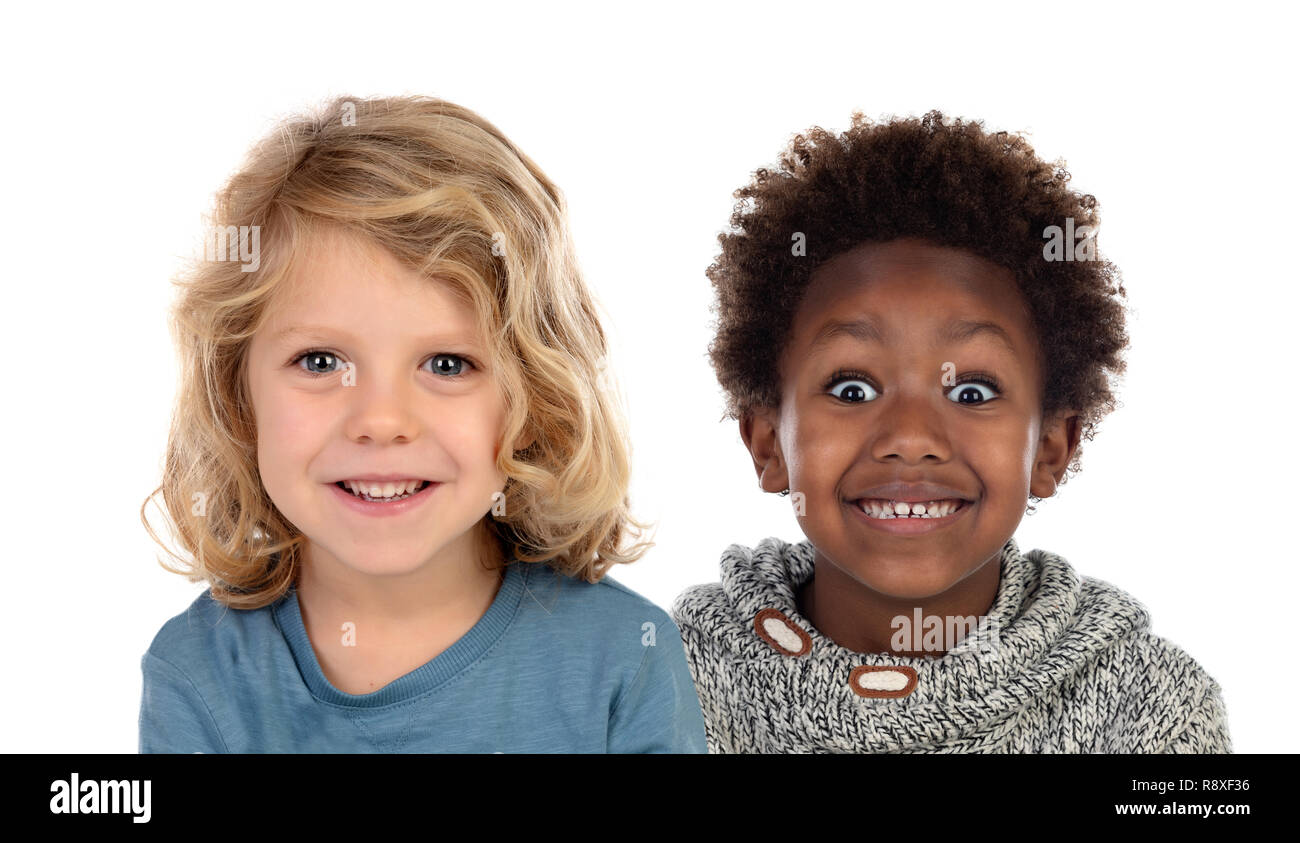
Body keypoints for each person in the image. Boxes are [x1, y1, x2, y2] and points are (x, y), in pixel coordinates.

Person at [139, 95, 706, 753]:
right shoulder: (198, 673)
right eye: (320, 360)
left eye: (447, 363)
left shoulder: (624, 657)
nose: (382, 420)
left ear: (535, 400)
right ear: (239, 398)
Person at [671, 110, 1230, 753]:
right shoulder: (654, 678)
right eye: (852, 389)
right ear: (767, 443)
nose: (911, 437)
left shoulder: (1152, 710)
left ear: (1052, 446)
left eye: (973, 392)